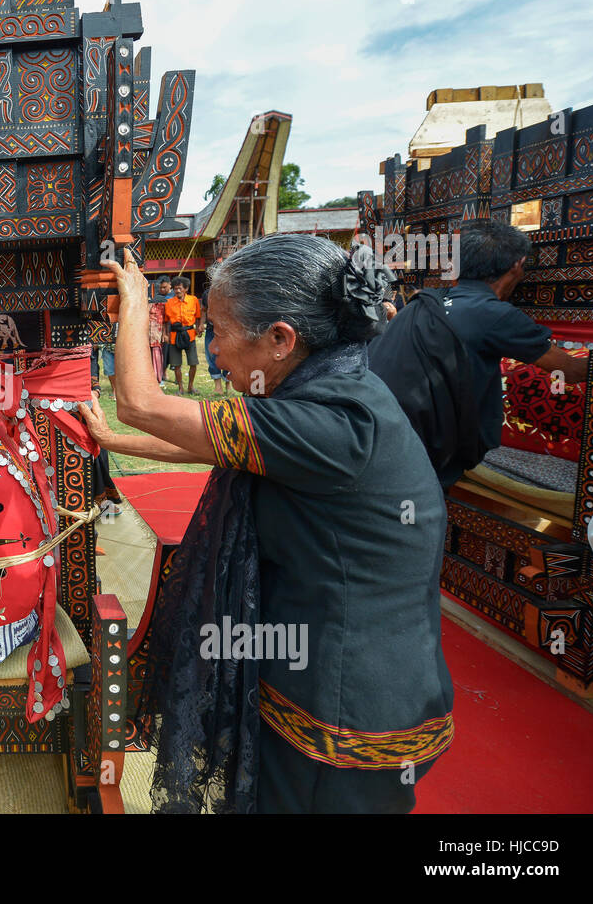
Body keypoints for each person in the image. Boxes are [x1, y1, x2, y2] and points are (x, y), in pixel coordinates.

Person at [81, 236, 453, 813]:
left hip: (348, 708)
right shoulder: (328, 389)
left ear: (280, 339)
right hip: (326, 675)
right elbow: (219, 445)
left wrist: (136, 298)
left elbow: (139, 400)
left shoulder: (335, 420)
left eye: (219, 331)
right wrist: (110, 440)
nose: (214, 354)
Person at [369, 219, 589, 488]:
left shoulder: (424, 302)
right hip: (420, 455)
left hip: (381, 435)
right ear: (517, 266)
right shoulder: (495, 315)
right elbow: (572, 371)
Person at [164, 276, 202, 395]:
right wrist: (165, 334)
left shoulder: (193, 300)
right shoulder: (169, 303)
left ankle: (190, 387)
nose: (178, 291)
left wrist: (199, 327)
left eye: (180, 288)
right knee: (176, 364)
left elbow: (198, 317)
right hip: (174, 336)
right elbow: (166, 321)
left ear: (185, 289)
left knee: (193, 363)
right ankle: (180, 388)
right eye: (175, 289)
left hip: (190, 335)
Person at [201, 277, 227, 395]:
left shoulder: (229, 292)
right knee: (211, 356)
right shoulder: (207, 294)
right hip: (211, 329)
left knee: (227, 355)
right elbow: (204, 310)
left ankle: (228, 386)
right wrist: (201, 324)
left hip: (227, 330)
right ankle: (218, 387)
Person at [149, 278, 170, 383]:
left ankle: (158, 378)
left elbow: (166, 320)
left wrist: (165, 334)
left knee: (158, 356)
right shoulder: (146, 302)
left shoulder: (163, 303)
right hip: (146, 334)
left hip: (158, 334)